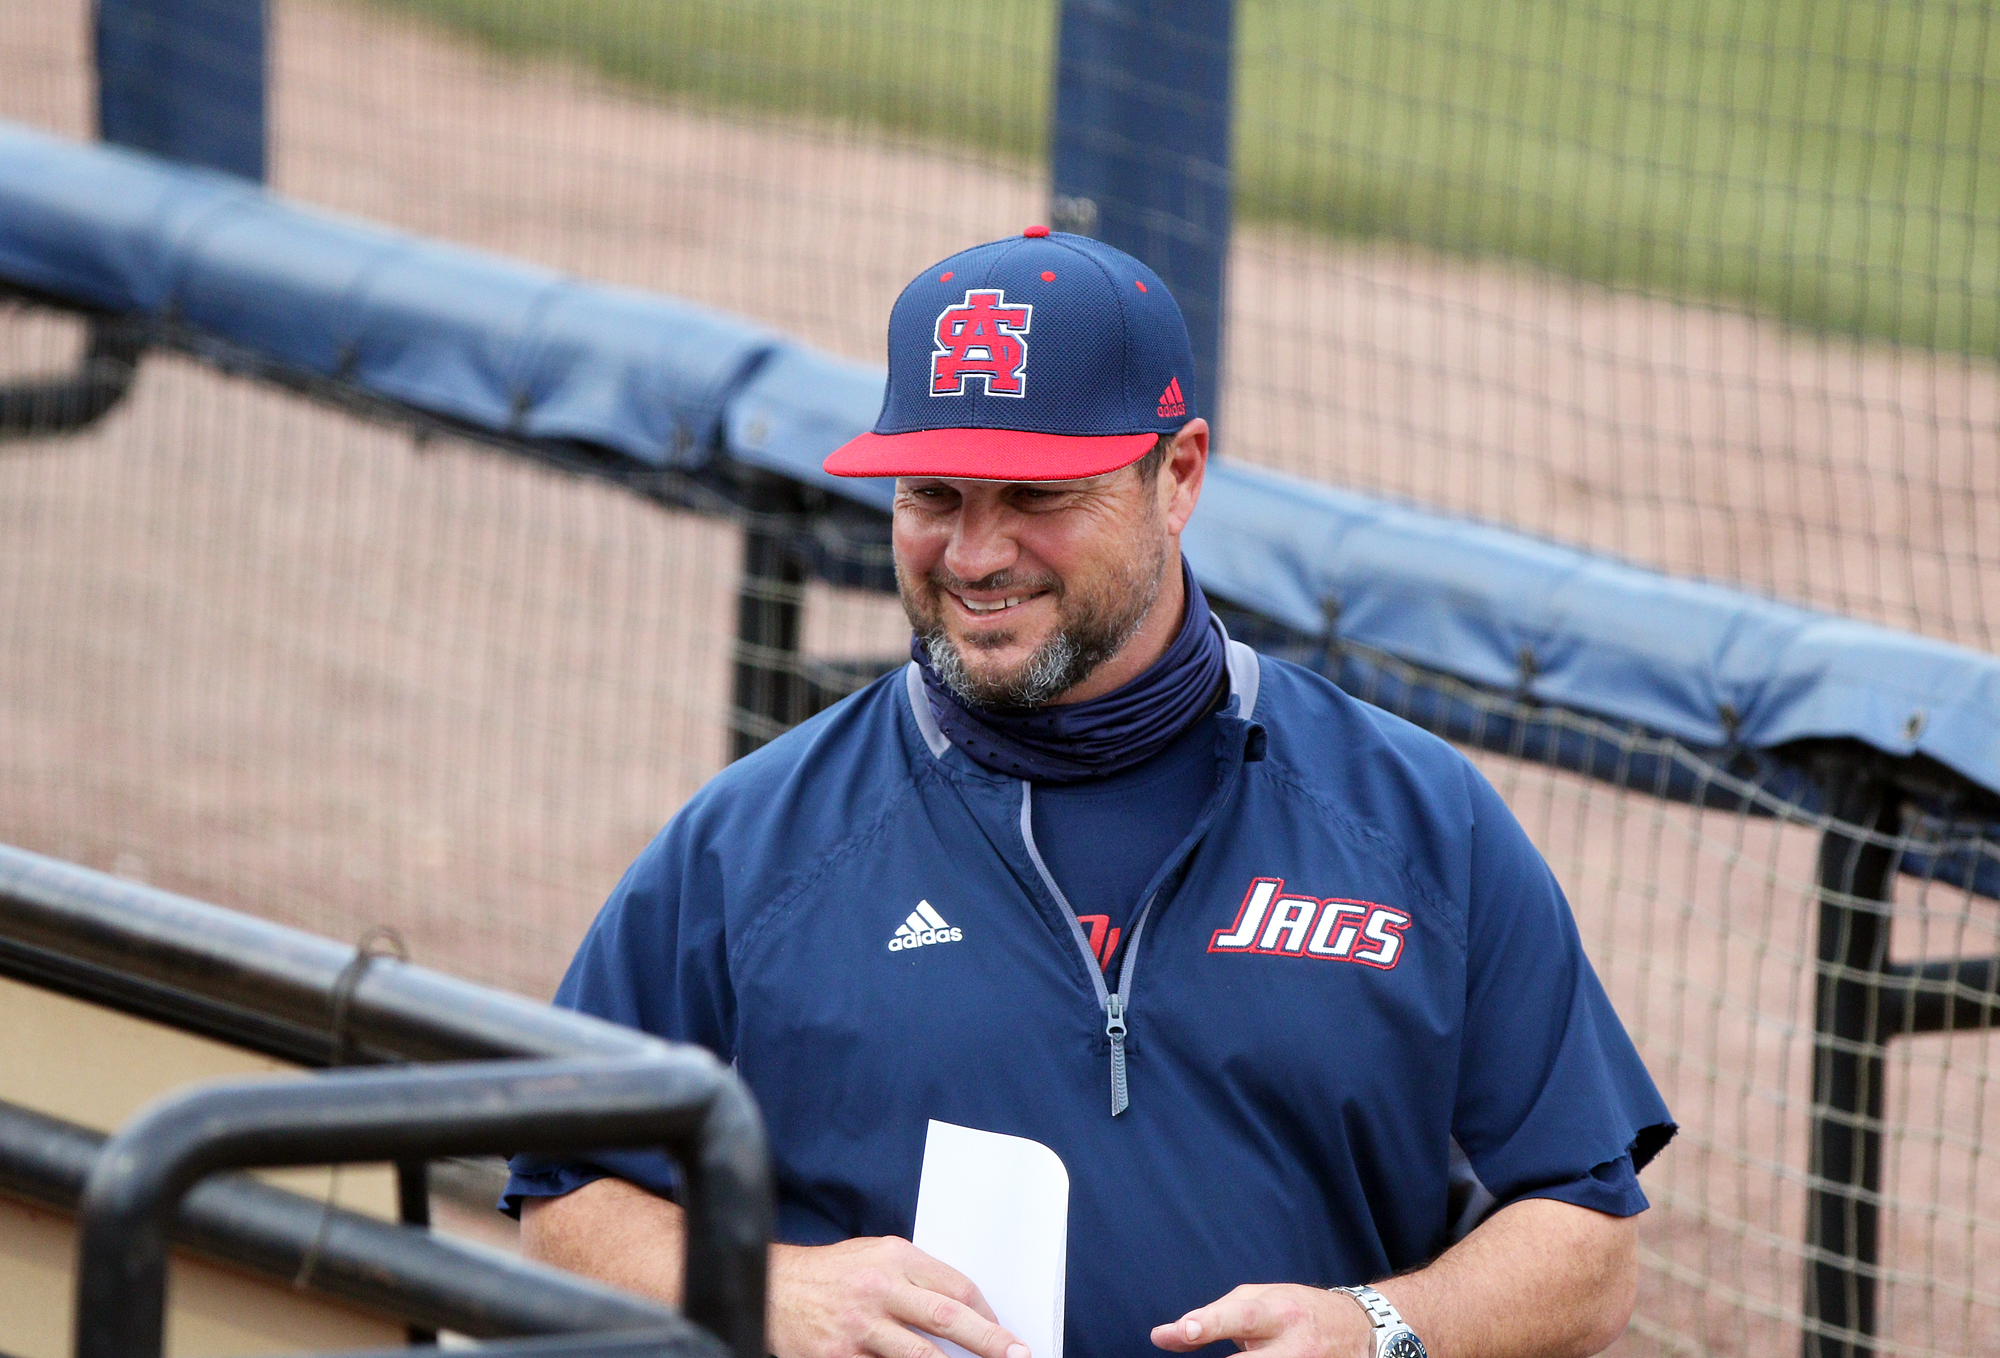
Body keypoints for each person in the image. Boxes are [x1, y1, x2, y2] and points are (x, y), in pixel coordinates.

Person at [506, 228, 1675, 1358]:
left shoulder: (1415, 821)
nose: (974, 554)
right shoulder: (755, 843)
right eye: (932, 493)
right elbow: (565, 1190)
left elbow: (1587, 1240)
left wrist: (1379, 1327)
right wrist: (768, 1286)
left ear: (1177, 476)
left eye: (1035, 494)